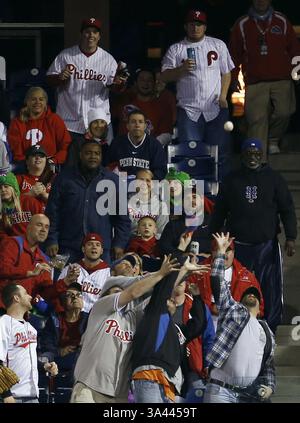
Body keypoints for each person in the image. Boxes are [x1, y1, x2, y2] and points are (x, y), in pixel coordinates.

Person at [209, 138, 297, 333]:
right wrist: (212, 237)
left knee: (271, 288)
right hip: (239, 246)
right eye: (248, 154)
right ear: (242, 156)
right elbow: (220, 211)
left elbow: (287, 209)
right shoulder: (232, 179)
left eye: (257, 154)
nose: (253, 157)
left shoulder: (274, 178)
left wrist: (291, 237)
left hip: (267, 245)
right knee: (237, 286)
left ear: (262, 156)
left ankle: (269, 329)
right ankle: (235, 327)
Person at [70, 255, 180, 403]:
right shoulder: (101, 308)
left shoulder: (132, 317)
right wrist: (160, 273)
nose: (119, 294)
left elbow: (160, 296)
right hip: (89, 388)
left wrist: (183, 270)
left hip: (118, 395)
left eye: (120, 291)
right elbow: (132, 293)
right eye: (115, 291)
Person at [131, 242, 210, 403]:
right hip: (150, 378)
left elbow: (199, 324)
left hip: (170, 384)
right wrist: (179, 252)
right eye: (167, 299)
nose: (170, 301)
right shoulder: (154, 314)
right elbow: (164, 288)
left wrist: (196, 297)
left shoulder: (178, 330)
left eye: (173, 301)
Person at [161, 9, 235, 180]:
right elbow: (164, 76)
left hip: (215, 107)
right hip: (189, 110)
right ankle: (194, 197)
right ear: (186, 27)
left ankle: (221, 197)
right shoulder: (177, 49)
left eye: (199, 24)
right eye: (192, 24)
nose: (196, 28)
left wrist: (223, 95)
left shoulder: (217, 44)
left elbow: (226, 72)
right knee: (190, 154)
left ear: (205, 27)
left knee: (221, 155)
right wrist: (181, 69)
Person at [204, 232, 276, 404]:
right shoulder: (233, 310)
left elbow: (269, 366)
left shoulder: (266, 331)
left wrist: (270, 387)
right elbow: (217, 281)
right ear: (240, 301)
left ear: (260, 308)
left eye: (255, 296)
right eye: (247, 295)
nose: (251, 296)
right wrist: (221, 253)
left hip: (248, 396)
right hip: (221, 390)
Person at [46, 17, 127, 165]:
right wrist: (59, 78)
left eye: (95, 32)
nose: (91, 35)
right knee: (70, 165)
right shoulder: (66, 56)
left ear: (99, 36)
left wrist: (119, 84)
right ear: (81, 34)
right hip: (69, 122)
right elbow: (49, 80)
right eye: (87, 32)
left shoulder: (108, 60)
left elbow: (116, 88)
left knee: (102, 165)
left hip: (99, 124)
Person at [229, 0, 300, 159]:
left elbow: (294, 48)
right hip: (255, 81)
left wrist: (298, 73)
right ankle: (257, 161)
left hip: (282, 78)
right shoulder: (242, 23)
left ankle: (273, 138)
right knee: (256, 120)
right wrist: (233, 79)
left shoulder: (281, 20)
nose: (261, 1)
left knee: (285, 111)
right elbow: (234, 55)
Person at [45, 140, 131, 264]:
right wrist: (52, 239)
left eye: (97, 153)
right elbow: (53, 212)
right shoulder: (64, 178)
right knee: (63, 283)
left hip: (101, 248)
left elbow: (122, 218)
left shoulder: (113, 180)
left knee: (101, 284)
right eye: (88, 153)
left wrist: (119, 243)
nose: (93, 157)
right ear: (80, 155)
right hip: (68, 246)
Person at [0, 214, 79, 310]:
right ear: (28, 227)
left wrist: (66, 281)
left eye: (47, 227)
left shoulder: (43, 259)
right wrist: (30, 273)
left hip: (21, 314)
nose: (43, 230)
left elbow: (45, 293)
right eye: (39, 225)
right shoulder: (13, 243)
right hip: (3, 308)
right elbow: (3, 269)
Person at [189, 237, 264, 329]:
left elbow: (259, 307)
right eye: (219, 250)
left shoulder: (248, 277)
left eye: (227, 250)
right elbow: (186, 301)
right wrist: (210, 307)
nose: (223, 254)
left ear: (233, 252)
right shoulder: (198, 272)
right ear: (212, 252)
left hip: (236, 325)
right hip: (205, 322)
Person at [0, 284, 58, 403]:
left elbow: (26, 358)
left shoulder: (31, 328)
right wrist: (6, 394)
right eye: (26, 293)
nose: (30, 296)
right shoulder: (3, 323)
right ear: (16, 298)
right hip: (12, 396)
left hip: (32, 395)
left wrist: (44, 366)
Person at [38, 282, 88, 403]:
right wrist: (60, 351)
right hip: (57, 359)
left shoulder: (89, 319)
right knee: (43, 358)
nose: (75, 297)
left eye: (78, 294)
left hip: (80, 362)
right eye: (70, 295)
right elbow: (46, 343)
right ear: (62, 301)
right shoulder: (55, 319)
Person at [7, 86, 71, 167]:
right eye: (33, 99)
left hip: (51, 166)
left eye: (41, 99)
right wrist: (30, 165)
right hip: (25, 166)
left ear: (45, 102)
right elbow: (16, 150)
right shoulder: (17, 122)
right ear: (27, 101)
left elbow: (65, 147)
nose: (37, 102)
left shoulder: (55, 119)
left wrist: (52, 161)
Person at [111, 68, 174, 145]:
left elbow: (166, 134)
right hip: (122, 149)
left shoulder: (163, 106)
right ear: (135, 83)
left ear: (154, 84)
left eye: (149, 80)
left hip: (149, 151)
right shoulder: (124, 100)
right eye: (142, 79)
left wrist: (150, 147)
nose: (145, 83)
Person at [106, 110, 167, 180]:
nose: (137, 125)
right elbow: (108, 168)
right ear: (127, 126)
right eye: (133, 122)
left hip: (146, 187)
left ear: (145, 126)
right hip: (121, 185)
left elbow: (161, 171)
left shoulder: (155, 145)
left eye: (140, 122)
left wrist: (146, 181)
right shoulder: (116, 143)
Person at [57, 233, 111, 313]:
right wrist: (67, 280)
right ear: (83, 249)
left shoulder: (109, 273)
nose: (94, 247)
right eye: (90, 244)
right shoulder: (70, 269)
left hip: (95, 317)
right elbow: (57, 294)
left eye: (97, 245)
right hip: (71, 316)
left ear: (101, 251)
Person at [0, 171, 43, 238]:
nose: (3, 190)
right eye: (0, 188)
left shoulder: (29, 201)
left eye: (6, 186)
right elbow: (2, 233)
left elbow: (42, 220)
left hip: (34, 241)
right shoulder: (1, 209)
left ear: (14, 188)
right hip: (13, 245)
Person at [127, 168, 168, 239]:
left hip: (154, 245)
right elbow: (124, 229)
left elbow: (162, 232)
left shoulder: (161, 205)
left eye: (148, 180)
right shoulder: (127, 203)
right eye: (141, 180)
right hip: (131, 243)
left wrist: (147, 240)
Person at [16, 145, 56, 211]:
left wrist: (45, 195)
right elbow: (7, 202)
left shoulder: (55, 179)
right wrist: (29, 194)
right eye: (34, 155)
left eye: (41, 156)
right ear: (27, 161)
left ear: (46, 160)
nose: (38, 158)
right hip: (27, 218)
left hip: (49, 217)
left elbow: (66, 201)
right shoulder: (18, 179)